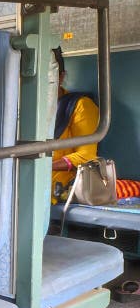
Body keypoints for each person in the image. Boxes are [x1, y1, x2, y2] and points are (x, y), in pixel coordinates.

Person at [50, 46, 99, 204]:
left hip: (59, 190)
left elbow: (86, 156)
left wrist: (44, 165)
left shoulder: (79, 106)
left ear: (61, 76)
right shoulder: (21, 108)